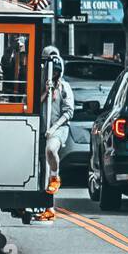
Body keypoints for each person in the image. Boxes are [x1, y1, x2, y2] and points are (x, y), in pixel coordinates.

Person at [42, 44, 74, 197]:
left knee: (50, 149)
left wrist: (54, 128)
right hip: (41, 127)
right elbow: (32, 103)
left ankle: (55, 176)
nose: (52, 73)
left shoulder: (64, 87)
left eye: (55, 70)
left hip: (58, 128)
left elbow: (68, 112)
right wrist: (45, 92)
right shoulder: (40, 85)